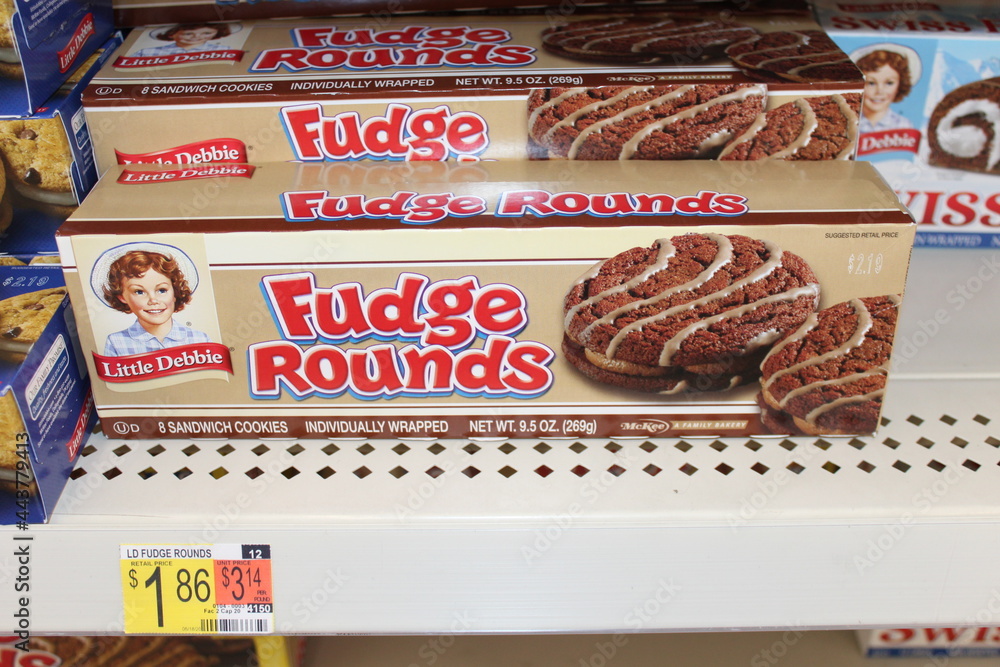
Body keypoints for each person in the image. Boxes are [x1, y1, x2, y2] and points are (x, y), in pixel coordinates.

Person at [100, 248, 210, 356]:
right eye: (139, 292)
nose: (153, 300)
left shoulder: (199, 339)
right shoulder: (116, 343)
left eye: (162, 290)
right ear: (122, 297)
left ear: (175, 292)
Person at [854, 46, 919, 134]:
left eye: (889, 83)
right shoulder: (850, 123)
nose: (880, 91)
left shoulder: (903, 125)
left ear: (900, 86)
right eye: (871, 83)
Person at [131, 23, 235, 58]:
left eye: (207, 33)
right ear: (171, 34)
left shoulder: (224, 50)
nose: (196, 37)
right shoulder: (146, 52)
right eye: (188, 33)